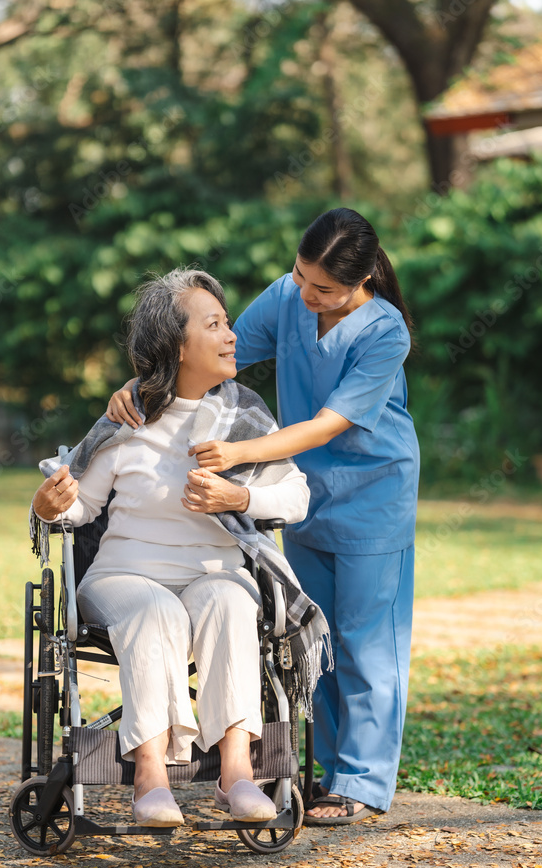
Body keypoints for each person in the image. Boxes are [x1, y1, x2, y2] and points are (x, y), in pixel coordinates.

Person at [107, 208, 419, 825]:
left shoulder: (386, 332)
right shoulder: (287, 297)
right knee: (318, 641)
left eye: (322, 288)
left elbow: (328, 424)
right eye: (300, 275)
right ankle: (328, 774)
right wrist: (137, 386)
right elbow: (205, 356)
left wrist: (239, 453)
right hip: (295, 490)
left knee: (367, 642)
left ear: (360, 282)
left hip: (372, 493)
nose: (305, 295)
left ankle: (362, 783)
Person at [32, 268, 326, 828]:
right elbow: (80, 506)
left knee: (232, 600)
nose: (231, 335)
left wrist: (238, 496)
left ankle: (237, 773)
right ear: (177, 346)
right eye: (214, 325)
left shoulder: (244, 417)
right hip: (124, 578)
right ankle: (150, 775)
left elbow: (296, 495)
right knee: (156, 610)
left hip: (214, 574)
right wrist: (50, 506)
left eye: (227, 323)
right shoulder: (129, 417)